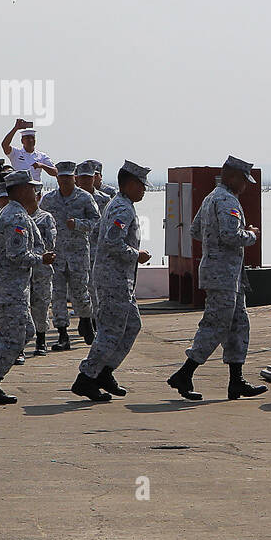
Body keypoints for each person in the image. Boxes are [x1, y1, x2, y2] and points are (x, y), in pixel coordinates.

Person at [167, 156, 267, 401]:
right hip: (222, 275)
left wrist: (214, 246)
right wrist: (251, 235)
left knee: (238, 325)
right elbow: (230, 235)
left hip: (227, 274)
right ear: (232, 176)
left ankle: (236, 381)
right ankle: (184, 373)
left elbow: (195, 230)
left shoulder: (211, 196)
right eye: (244, 180)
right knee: (216, 325)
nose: (246, 186)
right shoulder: (226, 200)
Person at [0, 171, 54, 405]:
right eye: (31, 188)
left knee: (25, 331)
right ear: (21, 190)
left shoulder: (13, 213)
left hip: (10, 288)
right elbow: (16, 254)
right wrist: (41, 258)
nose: (35, 192)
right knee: (14, 337)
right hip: (8, 290)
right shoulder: (16, 217)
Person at [73, 160, 152, 402]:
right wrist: (136, 255)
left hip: (120, 279)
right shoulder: (122, 208)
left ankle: (104, 372)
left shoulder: (121, 204)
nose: (144, 190)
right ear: (129, 184)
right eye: (141, 185)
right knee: (109, 331)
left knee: (132, 325)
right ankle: (86, 378)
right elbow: (111, 242)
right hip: (113, 280)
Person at [38, 161, 99, 350]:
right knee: (57, 295)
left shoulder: (85, 198)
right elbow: (39, 222)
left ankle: (86, 321)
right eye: (61, 177)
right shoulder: (48, 200)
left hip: (78, 254)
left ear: (74, 178)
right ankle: (62, 334)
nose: (64, 181)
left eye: (68, 177)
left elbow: (97, 221)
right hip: (55, 256)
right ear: (57, 178)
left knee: (81, 292)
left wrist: (79, 224)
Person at [77, 160, 109, 324]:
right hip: (77, 251)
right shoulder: (73, 199)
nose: (85, 181)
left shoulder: (105, 199)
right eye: (82, 178)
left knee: (97, 287)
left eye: (89, 177)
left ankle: (96, 320)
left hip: (98, 251)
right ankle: (86, 320)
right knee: (81, 289)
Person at [29, 181, 57, 356]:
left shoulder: (45, 218)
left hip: (41, 269)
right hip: (21, 269)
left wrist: (32, 251)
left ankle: (41, 340)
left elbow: (50, 243)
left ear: (38, 197)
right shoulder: (15, 216)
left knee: (40, 305)